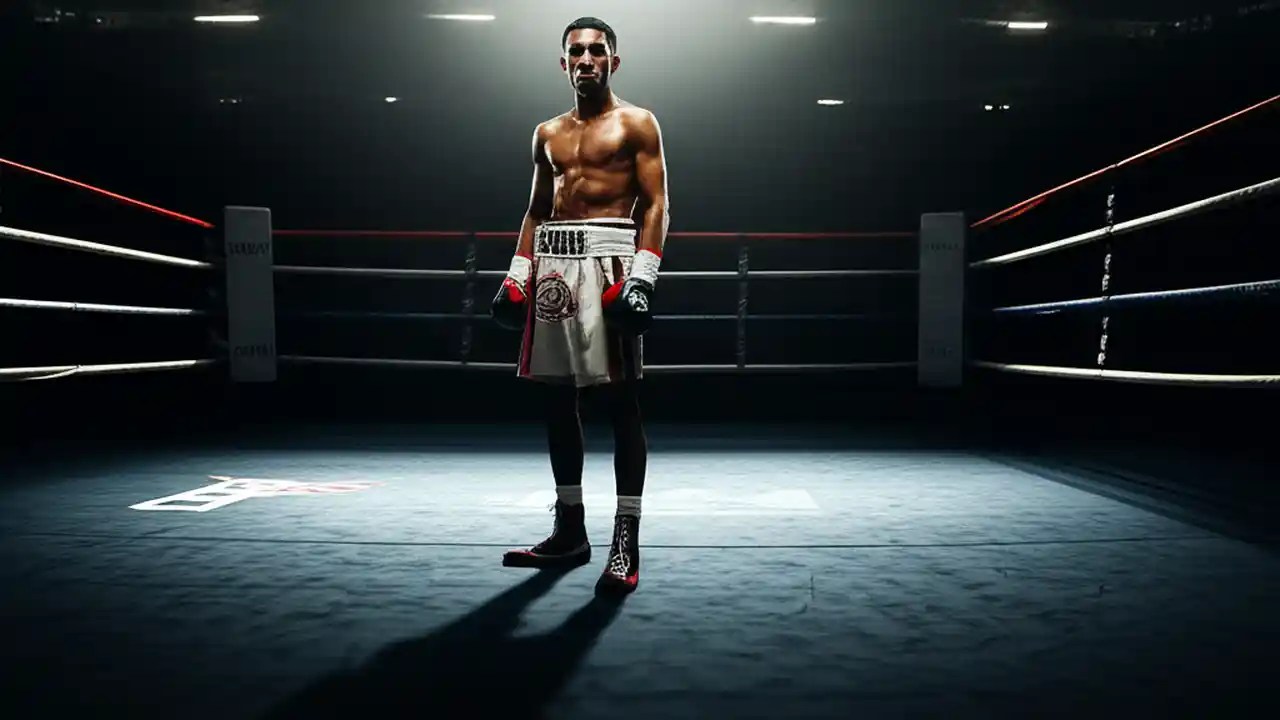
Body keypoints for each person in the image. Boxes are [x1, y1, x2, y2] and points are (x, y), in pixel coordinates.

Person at [490, 16, 670, 596]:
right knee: (554, 400)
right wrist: (517, 275)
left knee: (619, 402)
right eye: (576, 52)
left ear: (613, 61)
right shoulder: (546, 132)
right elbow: (537, 210)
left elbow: (657, 204)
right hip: (554, 267)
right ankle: (571, 530)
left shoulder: (637, 123)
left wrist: (644, 275)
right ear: (564, 63)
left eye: (597, 51)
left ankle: (626, 538)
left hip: (609, 265)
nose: (586, 59)